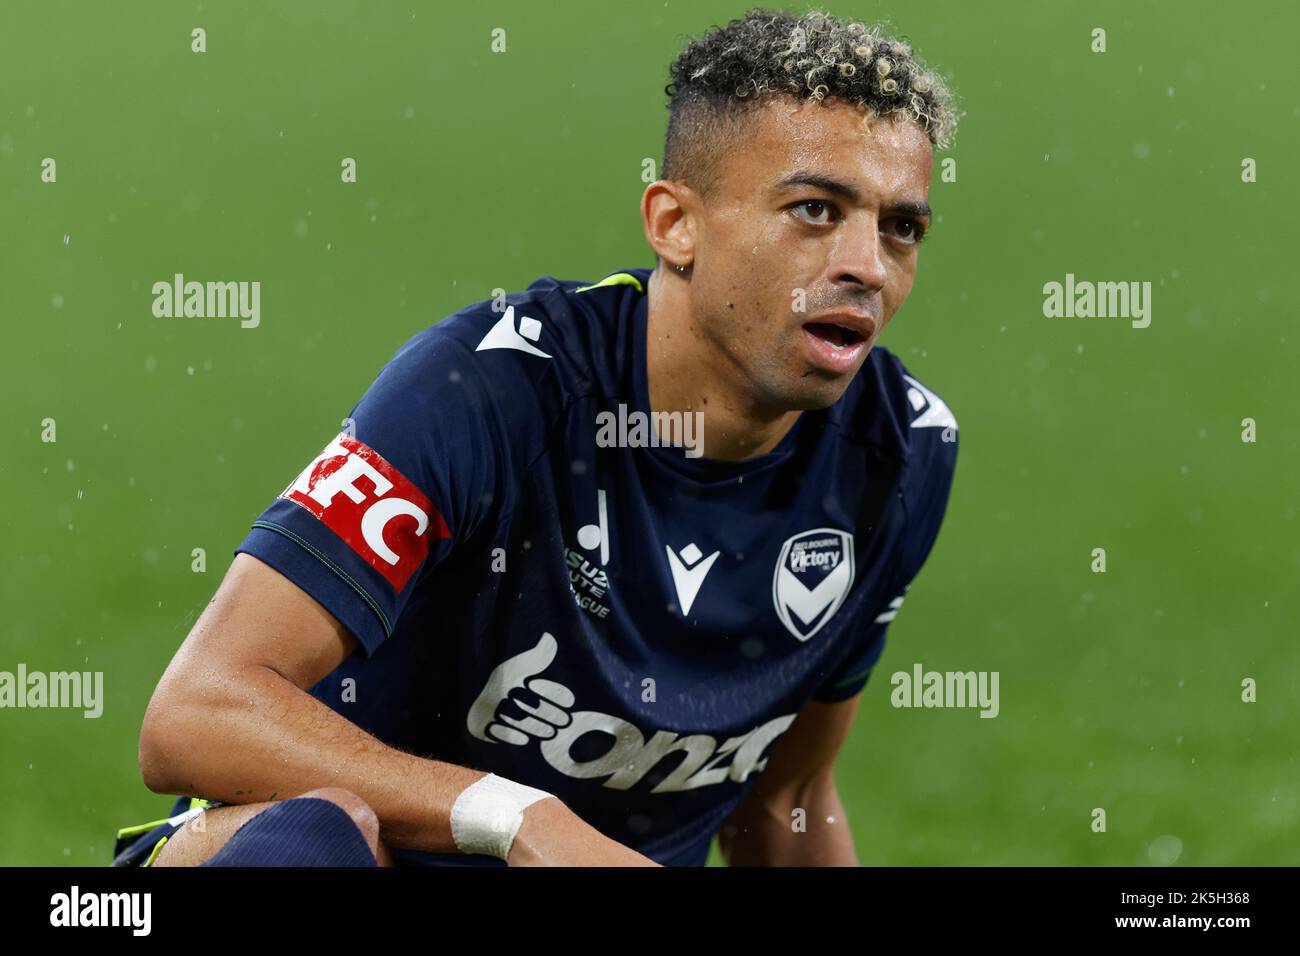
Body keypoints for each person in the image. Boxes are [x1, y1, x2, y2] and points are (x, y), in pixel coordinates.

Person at [114, 7, 960, 868]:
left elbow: (784, 800)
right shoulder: (488, 388)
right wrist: (516, 816)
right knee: (314, 843)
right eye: (815, 209)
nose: (867, 264)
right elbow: (197, 711)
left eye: (903, 227)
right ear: (675, 224)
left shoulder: (904, 452)